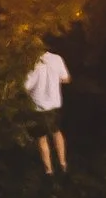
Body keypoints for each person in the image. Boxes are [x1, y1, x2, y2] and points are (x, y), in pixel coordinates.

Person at [25, 38, 71, 175]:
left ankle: (49, 170)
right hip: (54, 104)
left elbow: (26, 86)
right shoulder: (57, 58)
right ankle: (63, 164)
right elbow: (66, 78)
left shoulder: (30, 63)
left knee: (42, 138)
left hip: (38, 106)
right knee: (57, 133)